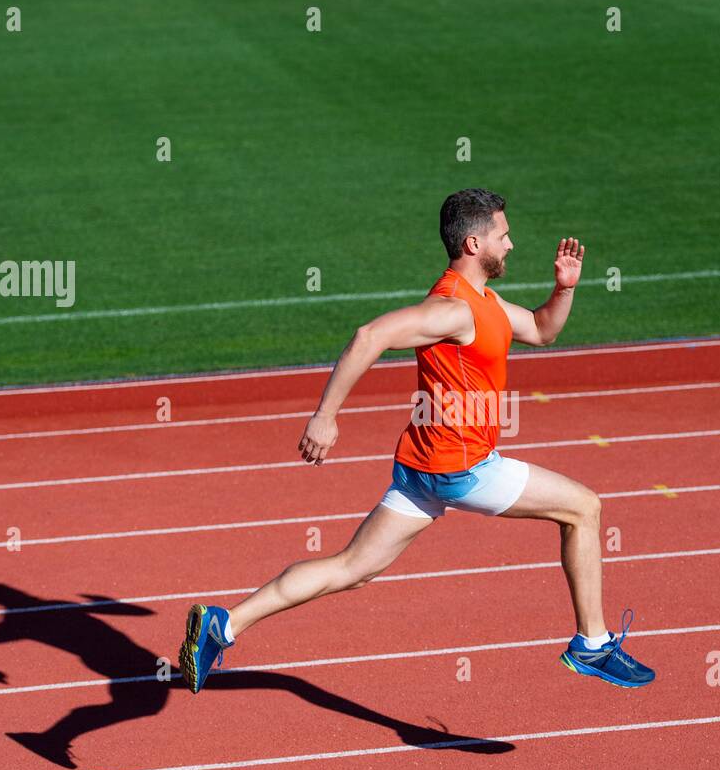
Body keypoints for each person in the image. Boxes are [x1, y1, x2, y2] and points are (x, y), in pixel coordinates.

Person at [178, 188, 654, 694]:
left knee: (352, 568)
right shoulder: (452, 309)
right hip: (461, 469)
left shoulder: (485, 304)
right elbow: (369, 335)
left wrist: (565, 288)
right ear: (474, 243)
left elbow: (541, 329)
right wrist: (325, 416)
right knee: (584, 508)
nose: (512, 245)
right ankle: (592, 644)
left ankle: (223, 625)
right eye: (504, 235)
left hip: (422, 469)